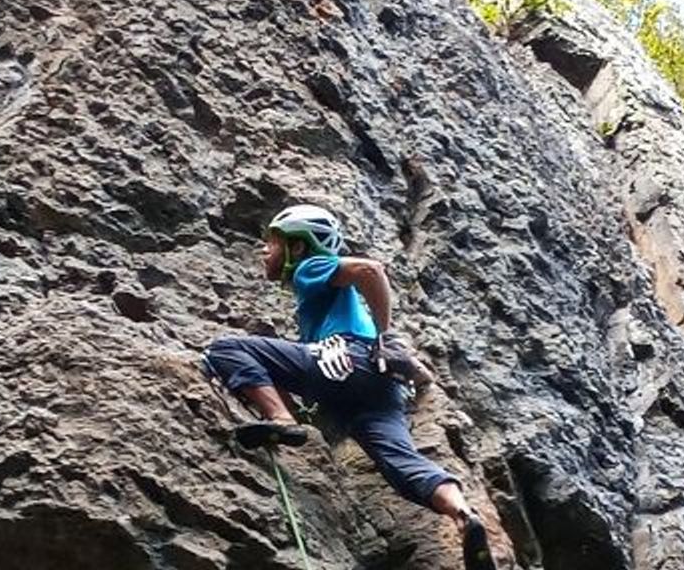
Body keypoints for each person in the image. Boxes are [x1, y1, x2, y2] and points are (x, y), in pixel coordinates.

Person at [202, 204, 494, 569]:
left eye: (273, 243)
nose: (264, 250)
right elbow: (417, 372)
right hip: (383, 389)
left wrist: (383, 335)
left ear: (298, 247)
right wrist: (393, 353)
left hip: (342, 358)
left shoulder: (309, 268)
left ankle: (279, 419)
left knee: (225, 349)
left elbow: (370, 270)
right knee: (401, 463)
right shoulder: (329, 300)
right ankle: (463, 514)